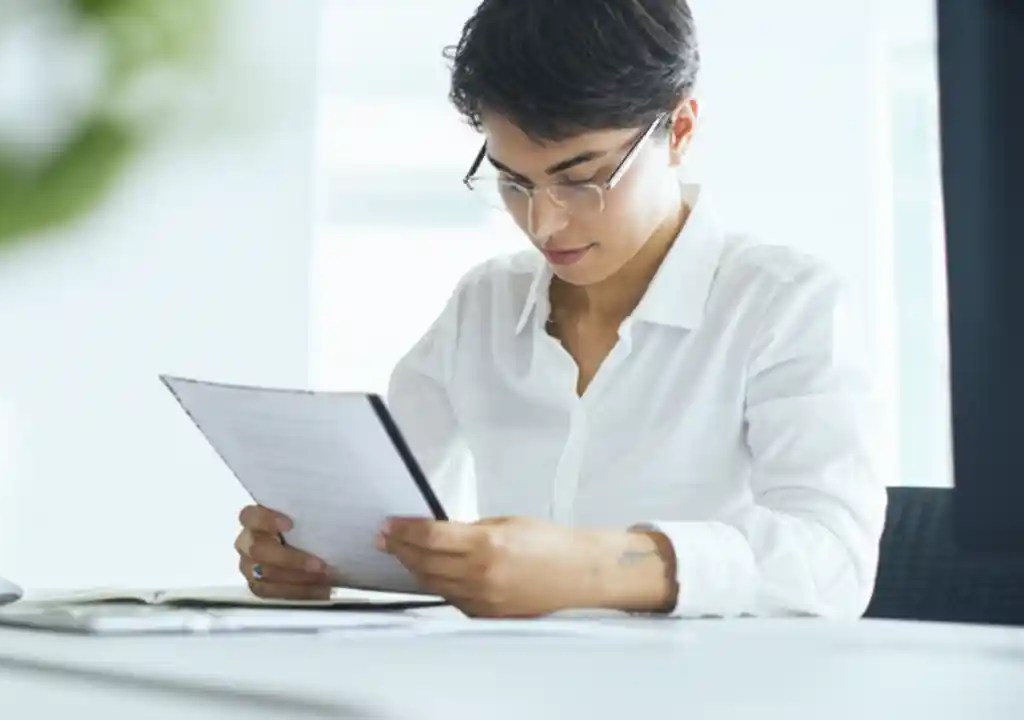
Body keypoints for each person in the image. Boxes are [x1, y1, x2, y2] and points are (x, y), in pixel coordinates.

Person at [233, 0, 886, 618]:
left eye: (582, 179)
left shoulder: (782, 303)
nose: (544, 224)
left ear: (680, 129)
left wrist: (595, 567)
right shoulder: (484, 306)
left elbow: (833, 563)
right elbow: (378, 515)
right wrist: (306, 554)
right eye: (514, 182)